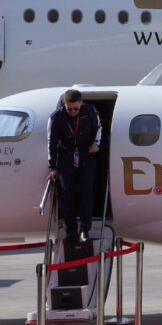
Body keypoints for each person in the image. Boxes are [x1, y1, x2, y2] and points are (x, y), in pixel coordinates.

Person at [46, 89, 101, 243]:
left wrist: (96, 144)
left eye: (76, 109)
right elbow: (51, 142)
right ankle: (71, 230)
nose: (72, 112)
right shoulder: (56, 117)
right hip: (66, 155)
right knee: (66, 193)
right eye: (69, 109)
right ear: (64, 105)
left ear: (81, 104)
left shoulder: (90, 111)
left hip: (86, 154)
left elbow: (98, 128)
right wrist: (53, 167)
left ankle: (85, 229)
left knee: (87, 191)